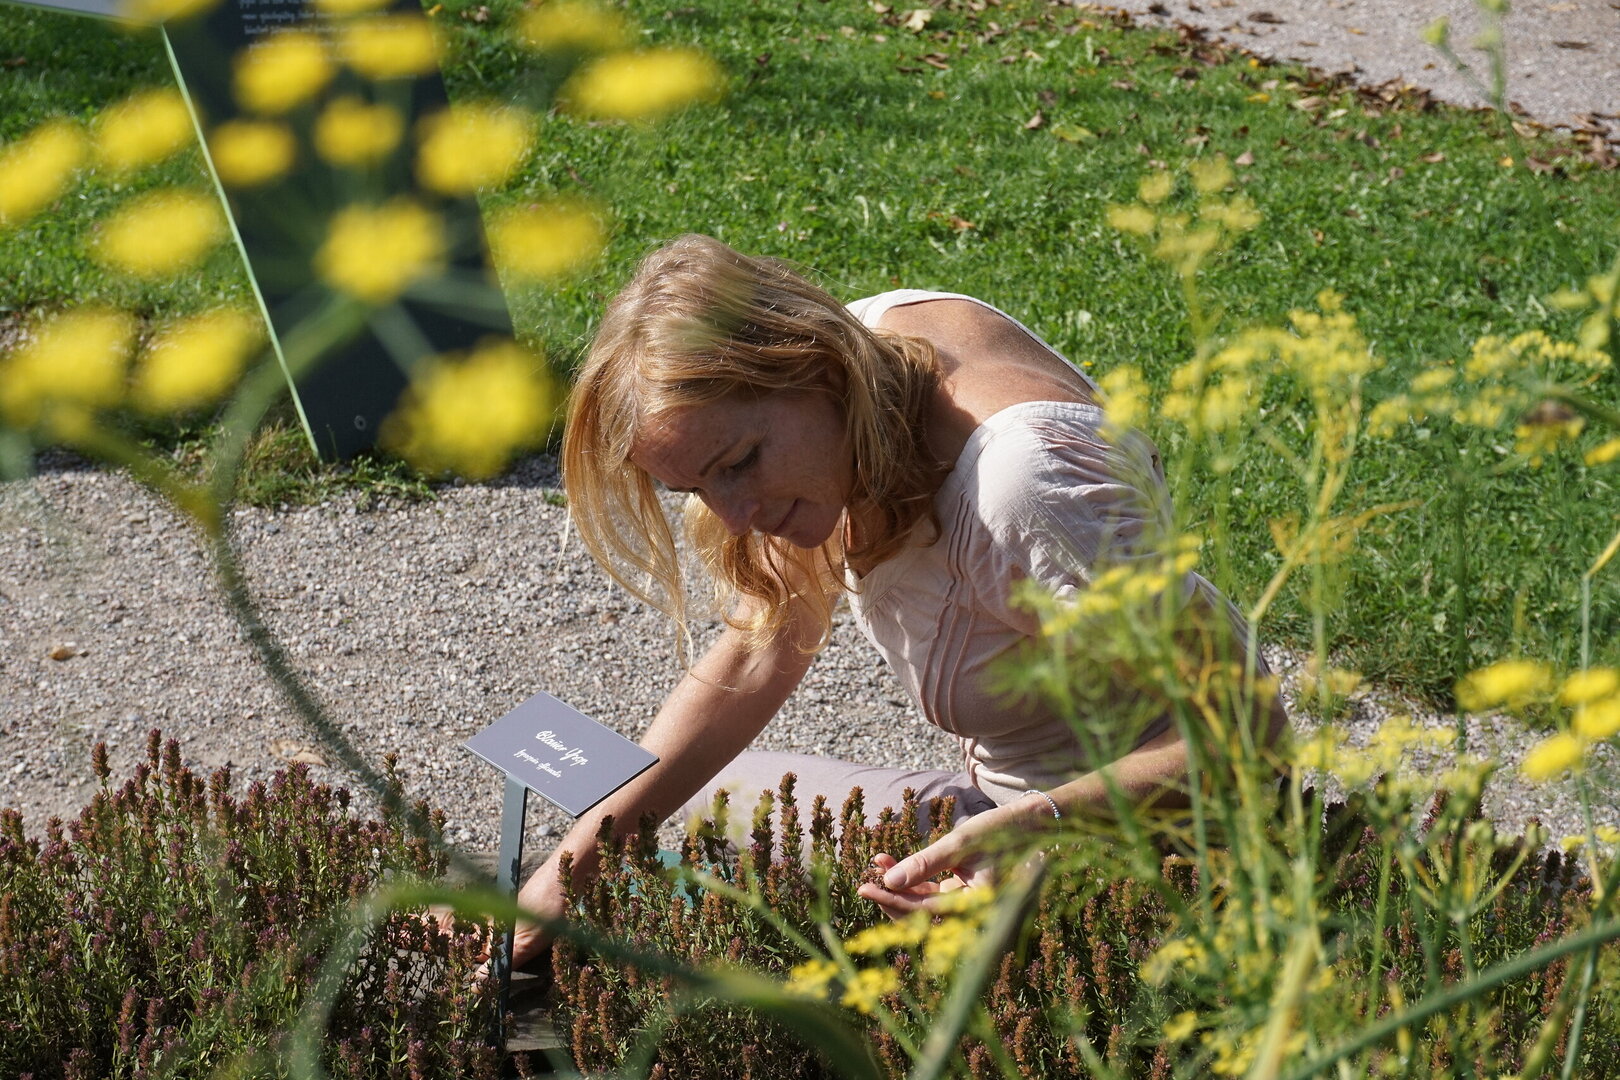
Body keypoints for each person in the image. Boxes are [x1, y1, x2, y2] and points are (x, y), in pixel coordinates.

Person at [507, 233, 1283, 967]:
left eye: (740, 462)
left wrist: (1039, 832)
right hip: (1001, 828)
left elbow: (1253, 742)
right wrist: (557, 881)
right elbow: (756, 651)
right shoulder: (867, 359)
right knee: (709, 799)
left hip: (1167, 855)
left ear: (814, 370)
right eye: (697, 488)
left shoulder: (1023, 488)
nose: (734, 516)